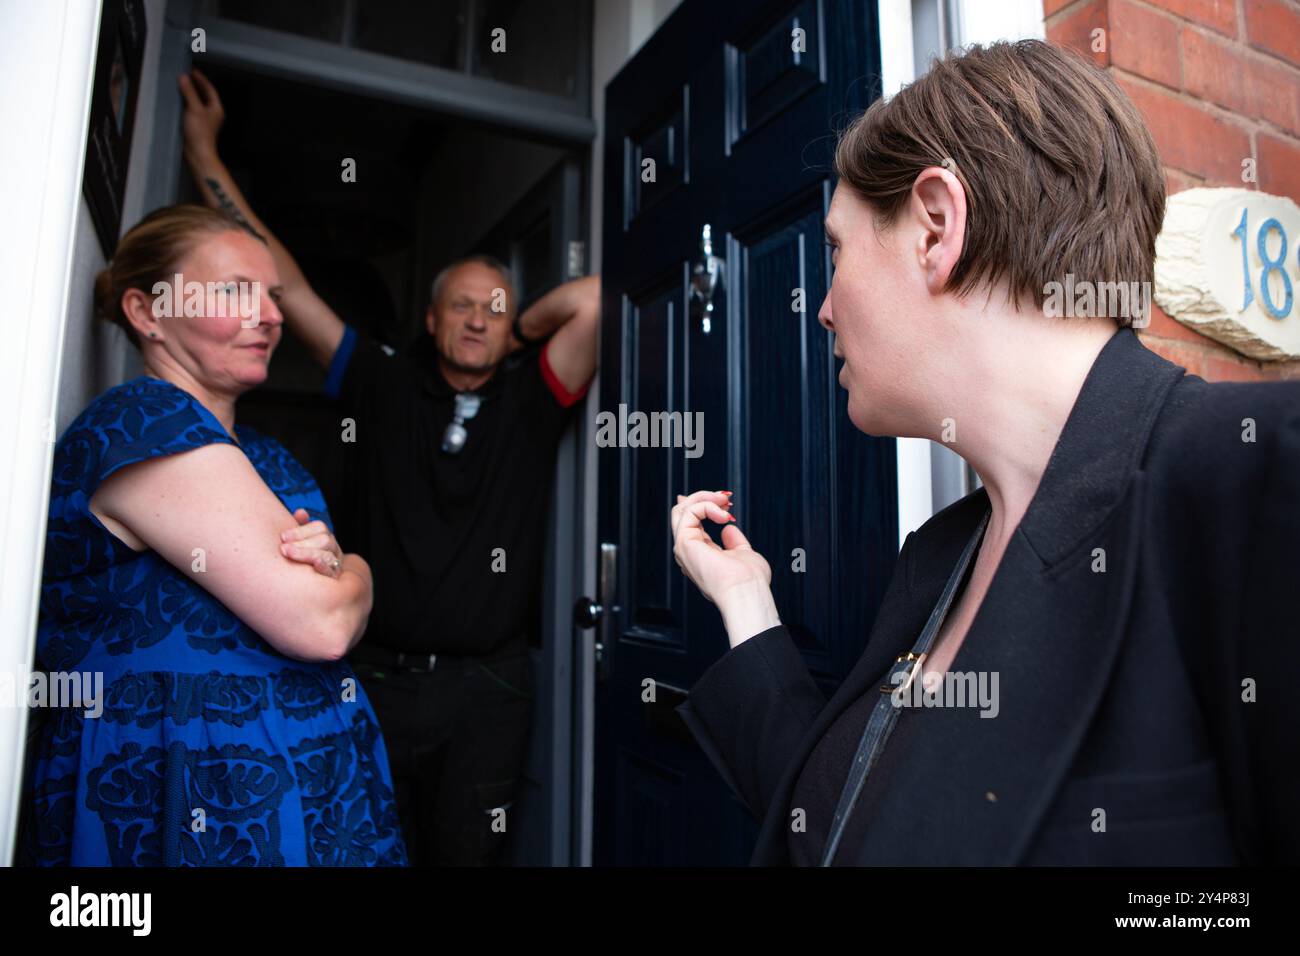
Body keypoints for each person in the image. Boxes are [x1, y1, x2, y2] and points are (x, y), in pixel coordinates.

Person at [670, 40, 1300, 866]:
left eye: (836, 250)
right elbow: (840, 824)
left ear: (937, 227)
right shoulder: (936, 561)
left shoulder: (1255, 480)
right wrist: (748, 605)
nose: (822, 309)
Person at [179, 69, 600, 865]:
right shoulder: (378, 381)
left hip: (488, 692)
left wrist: (522, 328)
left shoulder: (533, 399)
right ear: (430, 316)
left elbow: (601, 302)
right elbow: (288, 284)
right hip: (372, 677)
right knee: (357, 848)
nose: (479, 320)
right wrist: (204, 150)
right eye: (463, 306)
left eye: (495, 308)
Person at [24, 205, 407, 866]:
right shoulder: (143, 421)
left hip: (306, 776)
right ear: (149, 313)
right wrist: (358, 573)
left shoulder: (266, 454)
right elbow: (325, 623)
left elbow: (331, 603)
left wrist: (347, 577)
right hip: (190, 788)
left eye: (272, 296)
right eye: (235, 290)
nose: (271, 315)